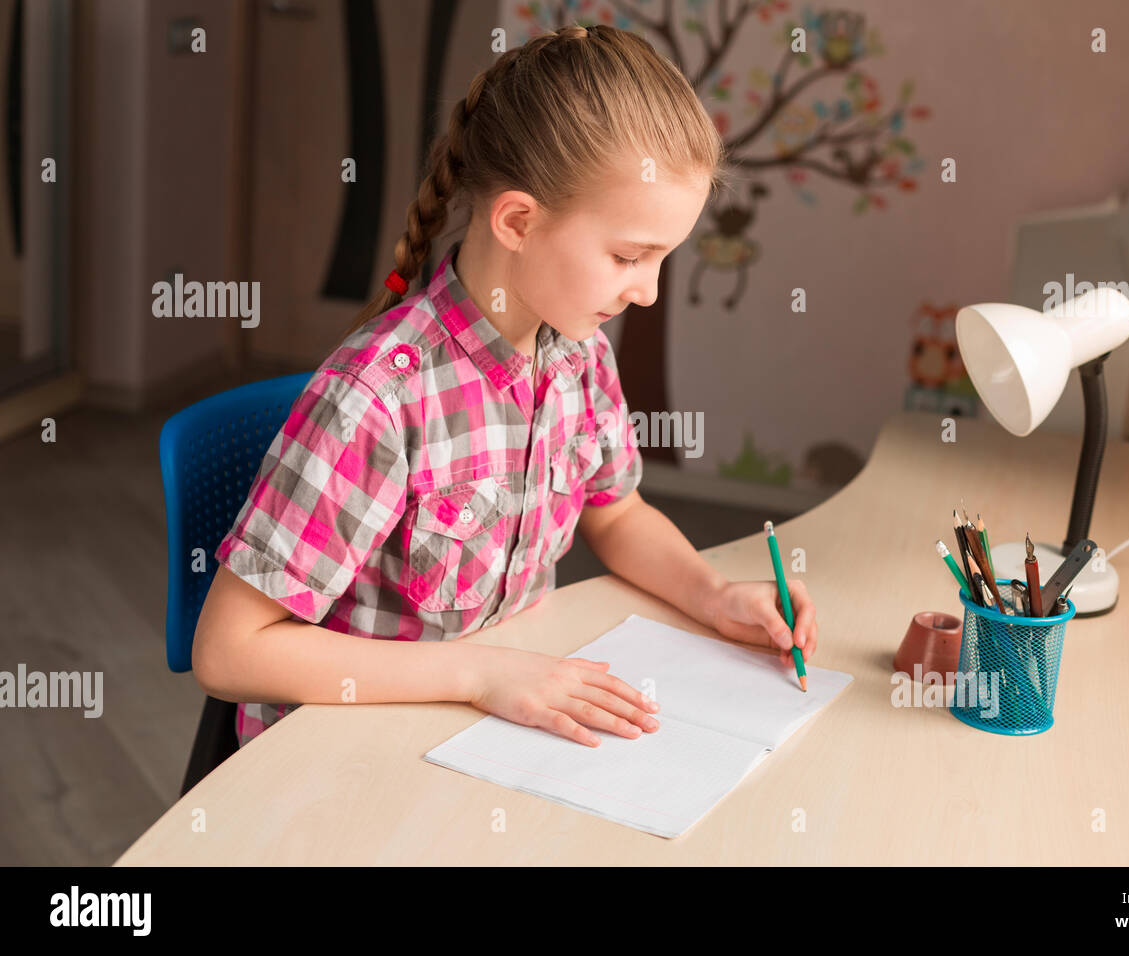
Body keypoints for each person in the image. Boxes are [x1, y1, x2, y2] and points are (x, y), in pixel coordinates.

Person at [194, 23, 818, 750]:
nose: (646, 292)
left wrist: (713, 596)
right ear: (519, 221)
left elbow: (616, 515)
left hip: (490, 724)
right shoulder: (379, 399)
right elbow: (230, 652)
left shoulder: (578, 355)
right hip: (351, 748)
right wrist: (480, 675)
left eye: (662, 262)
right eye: (627, 256)